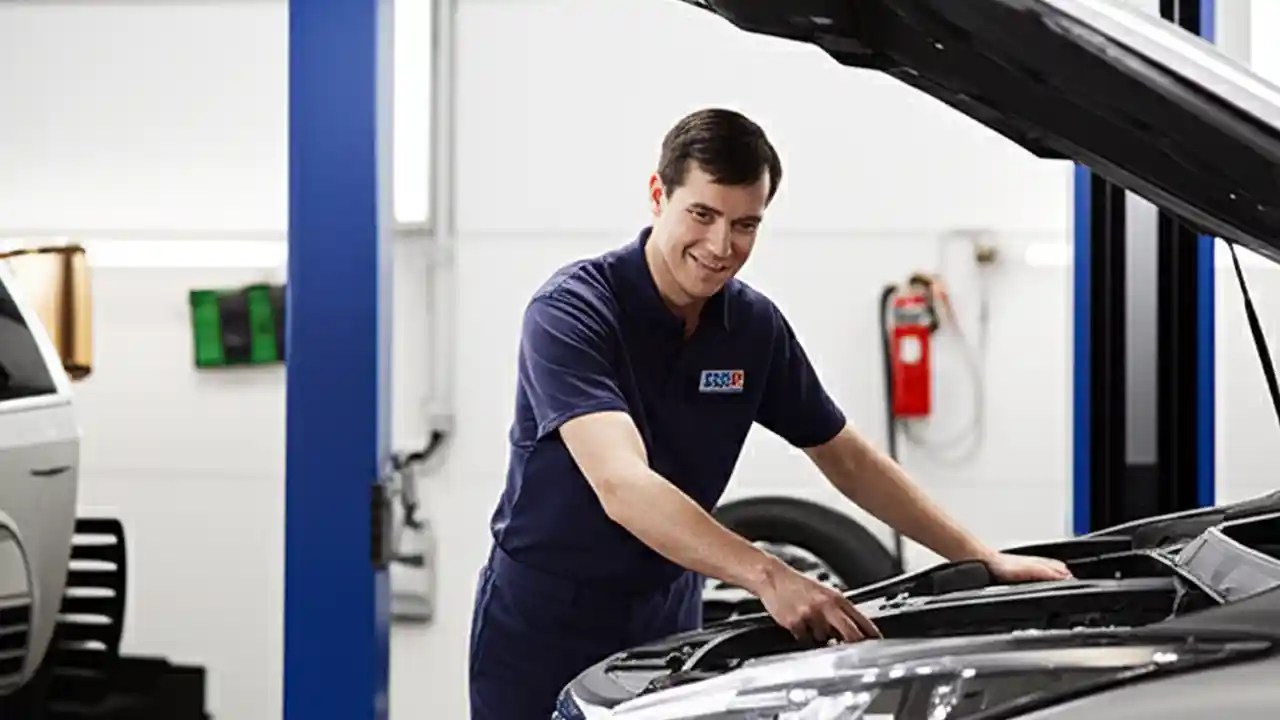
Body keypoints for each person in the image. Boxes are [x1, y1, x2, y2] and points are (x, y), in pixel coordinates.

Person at [468, 107, 1072, 719]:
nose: (720, 247)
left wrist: (978, 559)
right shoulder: (573, 313)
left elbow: (846, 457)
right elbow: (622, 484)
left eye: (745, 224)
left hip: (668, 612)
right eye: (702, 215)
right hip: (545, 617)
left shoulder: (752, 328)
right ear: (659, 194)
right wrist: (769, 576)